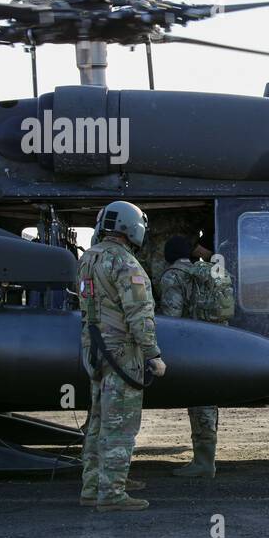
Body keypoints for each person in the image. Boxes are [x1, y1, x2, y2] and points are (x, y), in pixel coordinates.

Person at [78, 201, 167, 511]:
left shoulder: (89, 258)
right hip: (121, 354)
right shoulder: (126, 264)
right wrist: (153, 354)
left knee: (100, 420)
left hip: (95, 350)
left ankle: (93, 486)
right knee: (120, 425)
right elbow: (139, 313)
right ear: (133, 228)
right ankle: (112, 494)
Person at [157, 234, 232, 478]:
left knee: (198, 402)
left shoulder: (173, 276)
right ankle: (205, 459)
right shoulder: (207, 271)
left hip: (192, 345)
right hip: (214, 342)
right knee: (207, 401)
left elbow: (172, 317)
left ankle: (203, 464)